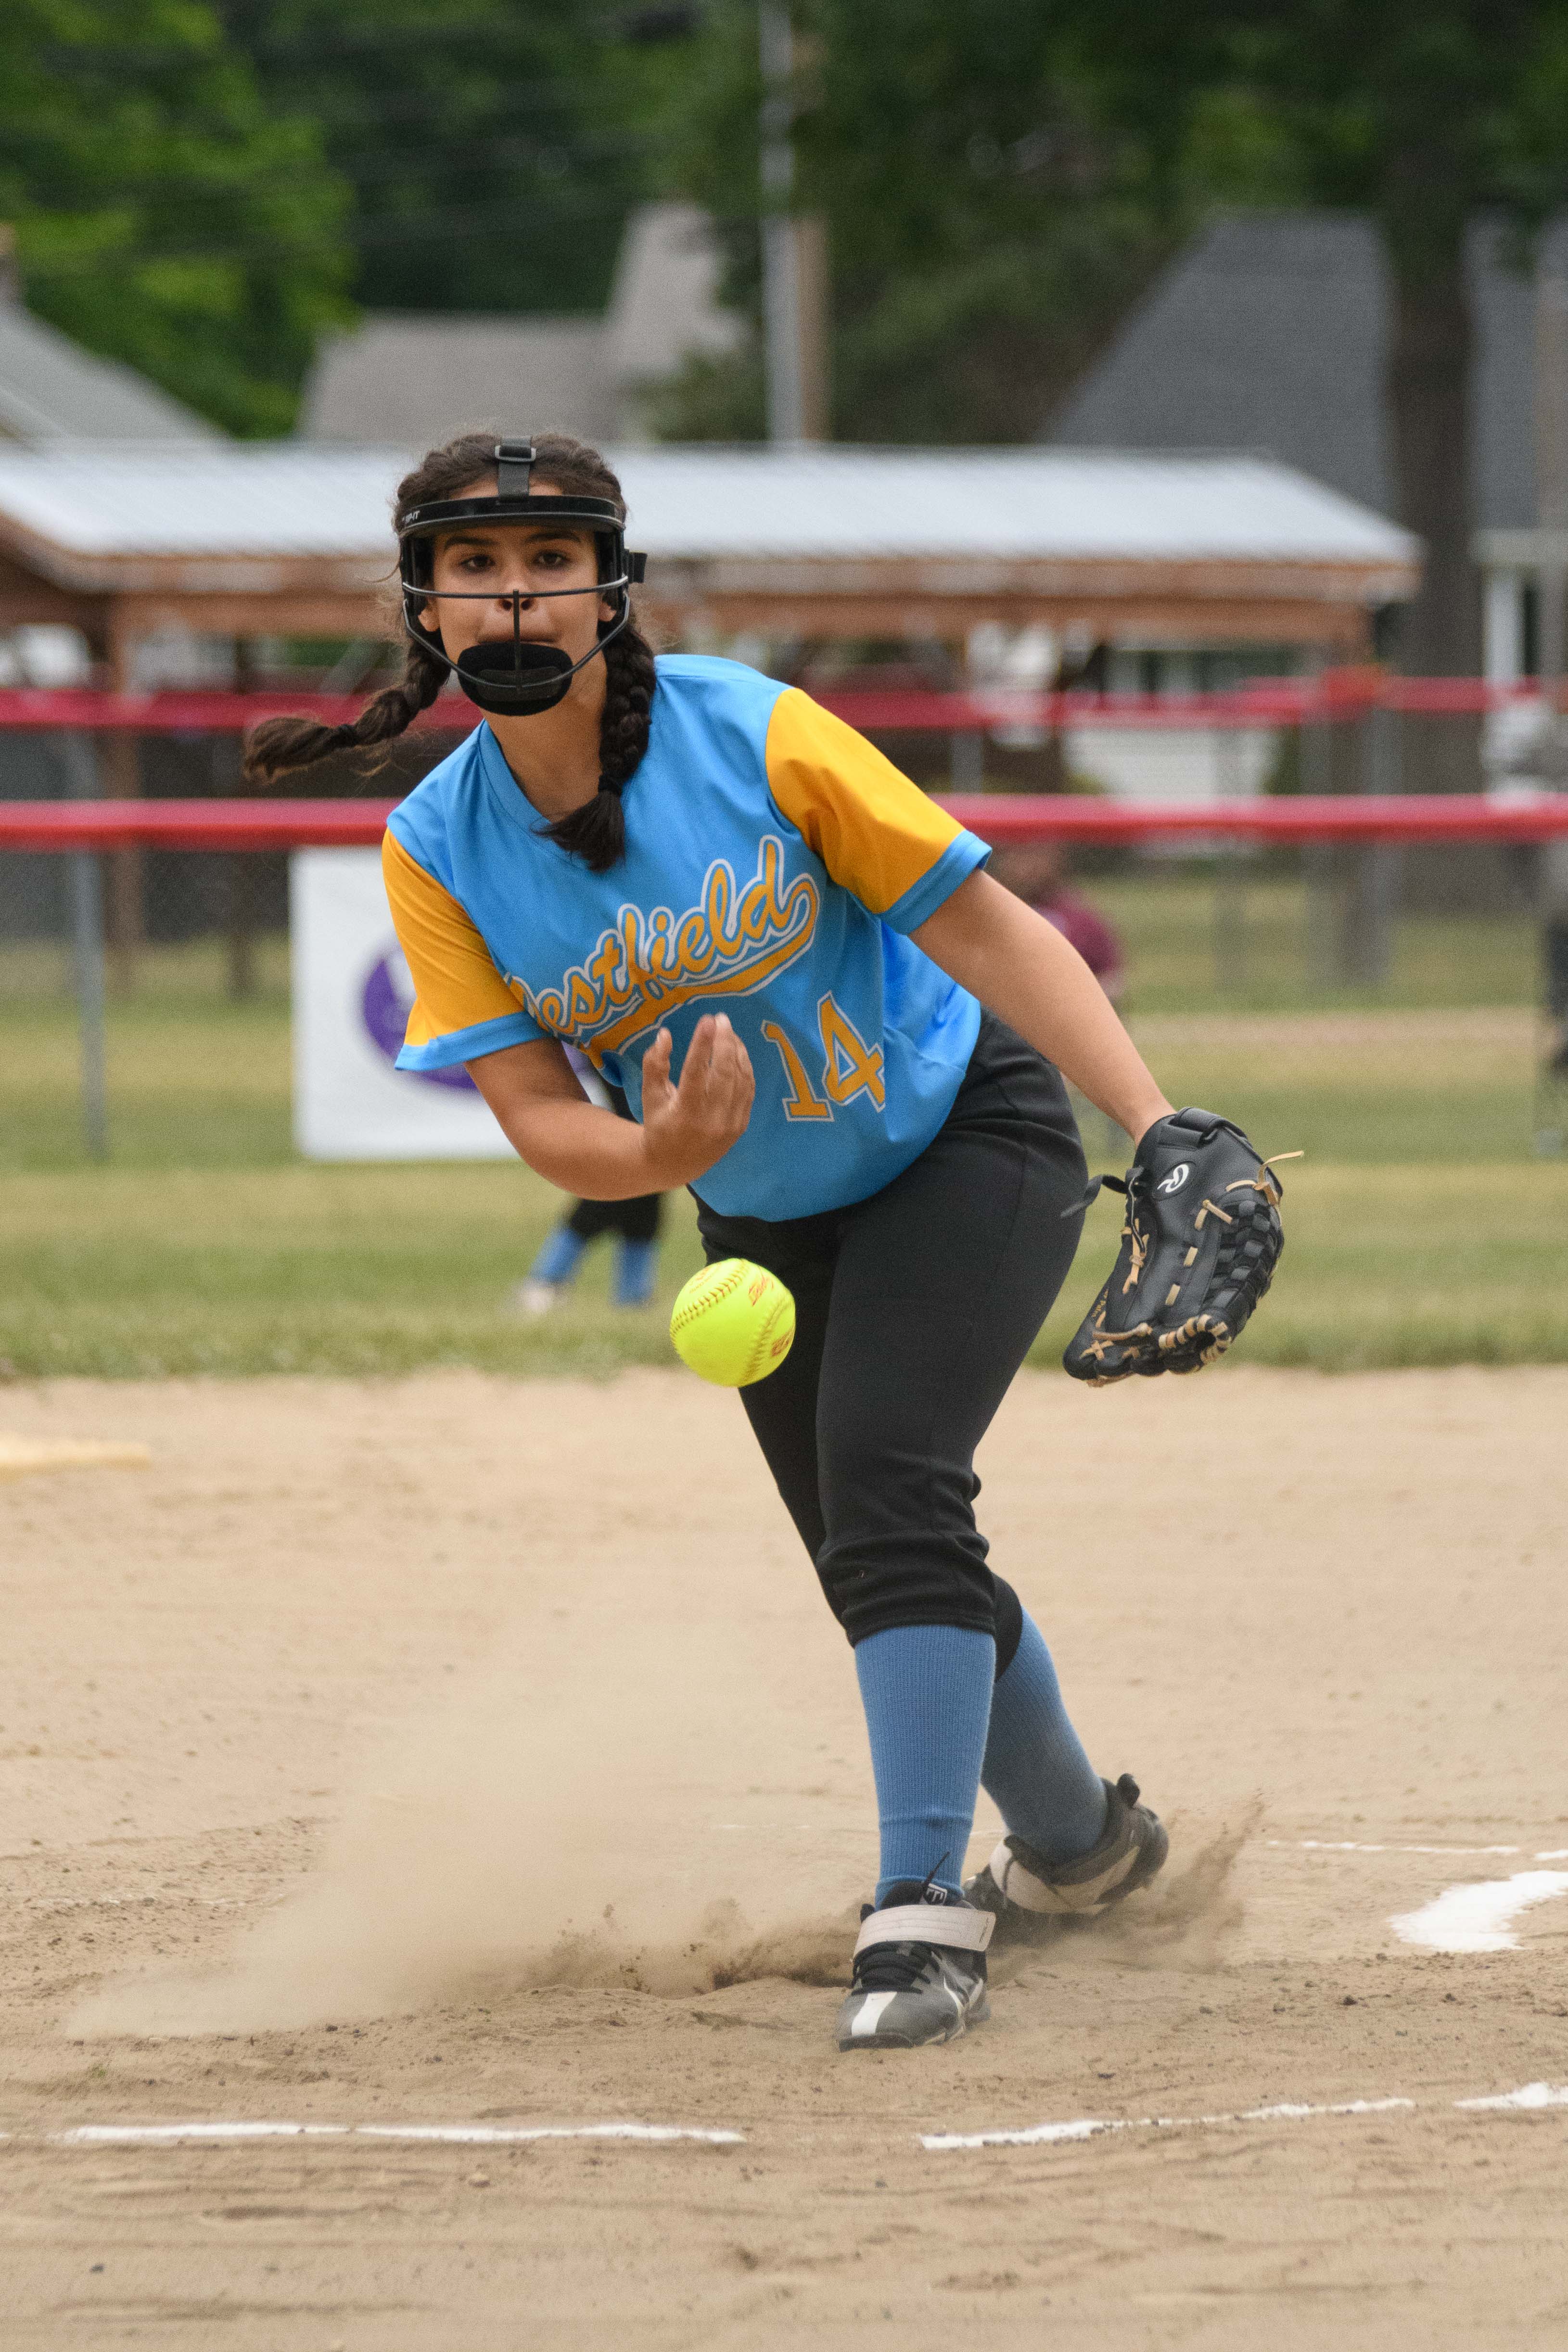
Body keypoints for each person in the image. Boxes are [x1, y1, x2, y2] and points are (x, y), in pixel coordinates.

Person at [246, 430, 1193, 2055]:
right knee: (876, 1554)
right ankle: (1082, 1845)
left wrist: (1154, 1123)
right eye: (474, 567)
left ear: (609, 586)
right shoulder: (437, 844)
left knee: (891, 1494)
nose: (514, 596)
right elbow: (533, 1105)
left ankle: (921, 1909)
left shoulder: (752, 729)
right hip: (758, 1216)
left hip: (961, 1129)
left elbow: (982, 925)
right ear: (427, 607)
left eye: (549, 559)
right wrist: (652, 1157)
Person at [516, 1052, 663, 1314]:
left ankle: (631, 1294)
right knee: (643, 1153)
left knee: (652, 1159)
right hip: (618, 1041)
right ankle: (547, 1281)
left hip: (652, 1042)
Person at [997, 840, 1124, 999]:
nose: (1026, 865)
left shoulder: (1080, 919)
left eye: (1036, 854)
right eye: (1017, 853)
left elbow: (1111, 979)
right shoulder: (987, 910)